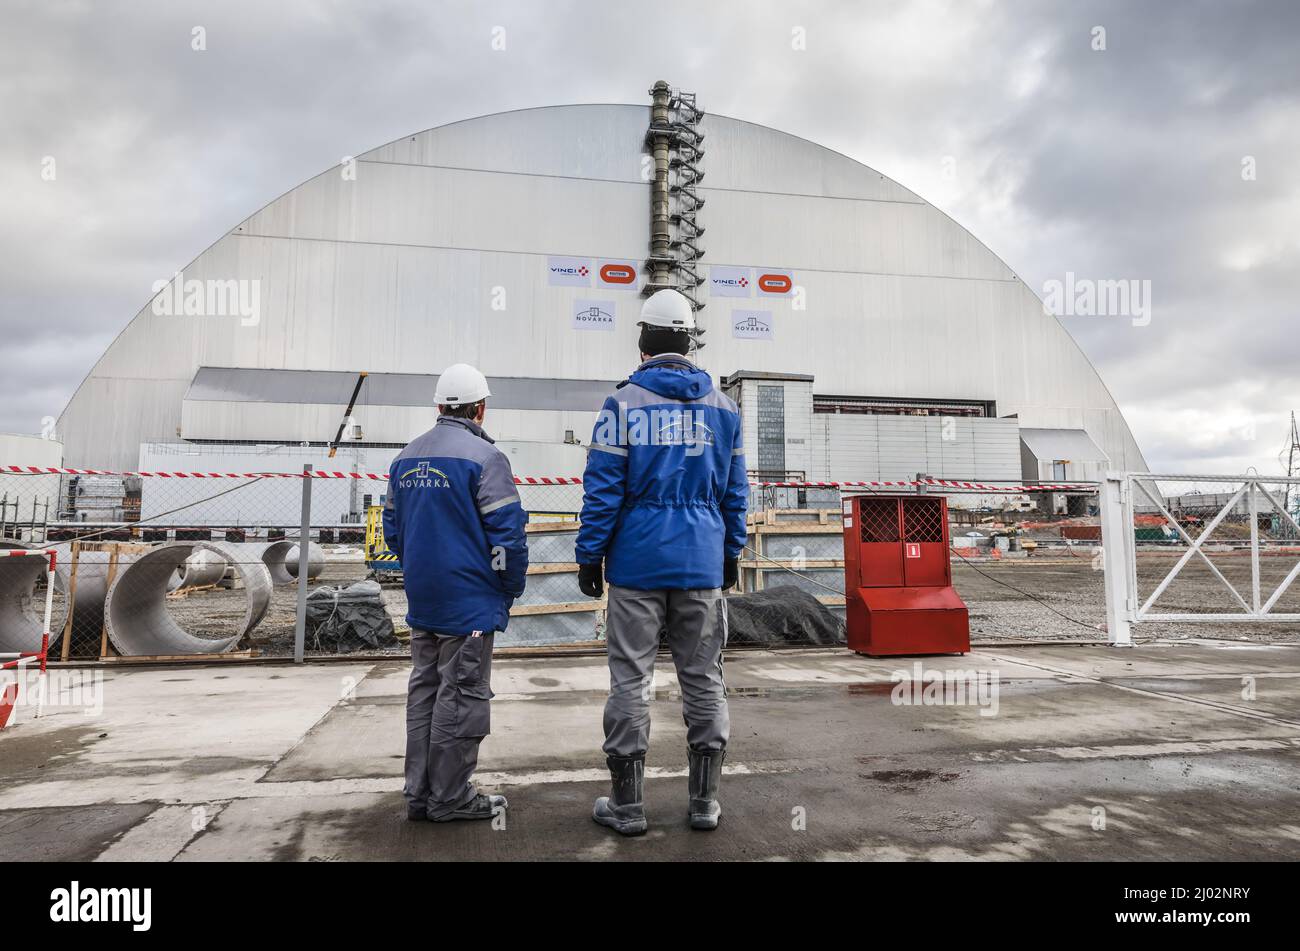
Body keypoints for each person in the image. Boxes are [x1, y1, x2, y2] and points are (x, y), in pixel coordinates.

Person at [576, 289, 749, 835]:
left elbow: (602, 489)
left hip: (637, 565)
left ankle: (628, 807)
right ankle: (704, 804)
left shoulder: (622, 404)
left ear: (644, 341)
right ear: (688, 341)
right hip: (701, 562)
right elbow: (734, 494)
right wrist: (730, 554)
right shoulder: (724, 409)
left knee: (631, 677)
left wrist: (590, 555)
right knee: (703, 678)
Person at [383, 362, 528, 822]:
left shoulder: (405, 457)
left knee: (424, 692)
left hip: (424, 600)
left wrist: (422, 569)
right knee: (462, 696)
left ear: (440, 406)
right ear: (480, 409)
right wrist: (507, 587)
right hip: (469, 604)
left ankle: (419, 794)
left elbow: (392, 531)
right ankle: (450, 797)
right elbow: (506, 538)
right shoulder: (486, 459)